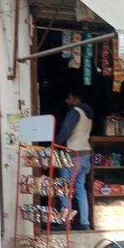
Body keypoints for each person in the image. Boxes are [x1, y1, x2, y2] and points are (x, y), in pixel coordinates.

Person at [55, 88, 93, 230]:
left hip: (73, 155)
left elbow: (66, 130)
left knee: (64, 188)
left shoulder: (74, 112)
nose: (67, 101)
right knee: (80, 189)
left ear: (75, 98)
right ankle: (84, 222)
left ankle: (66, 222)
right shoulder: (88, 114)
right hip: (85, 155)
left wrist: (55, 143)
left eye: (69, 98)